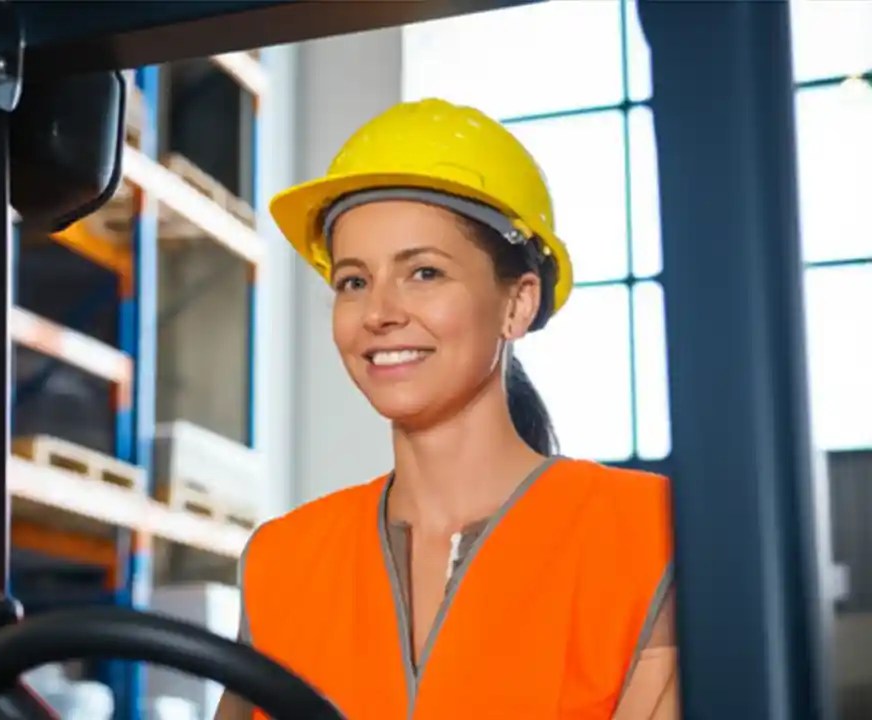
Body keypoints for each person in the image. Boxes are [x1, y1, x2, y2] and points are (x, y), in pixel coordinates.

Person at [214, 98, 679, 719]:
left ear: (517, 305)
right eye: (354, 281)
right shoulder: (283, 562)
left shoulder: (643, 535)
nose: (379, 313)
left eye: (424, 273)